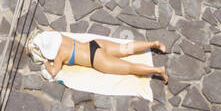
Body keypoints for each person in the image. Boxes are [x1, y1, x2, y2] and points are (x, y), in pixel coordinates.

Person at [27, 29, 168, 85]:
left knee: (129, 68)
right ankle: (154, 44)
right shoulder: (61, 38)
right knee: (125, 48)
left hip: (96, 59)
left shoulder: (59, 55)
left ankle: (158, 70)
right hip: (95, 44)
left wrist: (45, 61)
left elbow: (53, 72)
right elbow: (50, 33)